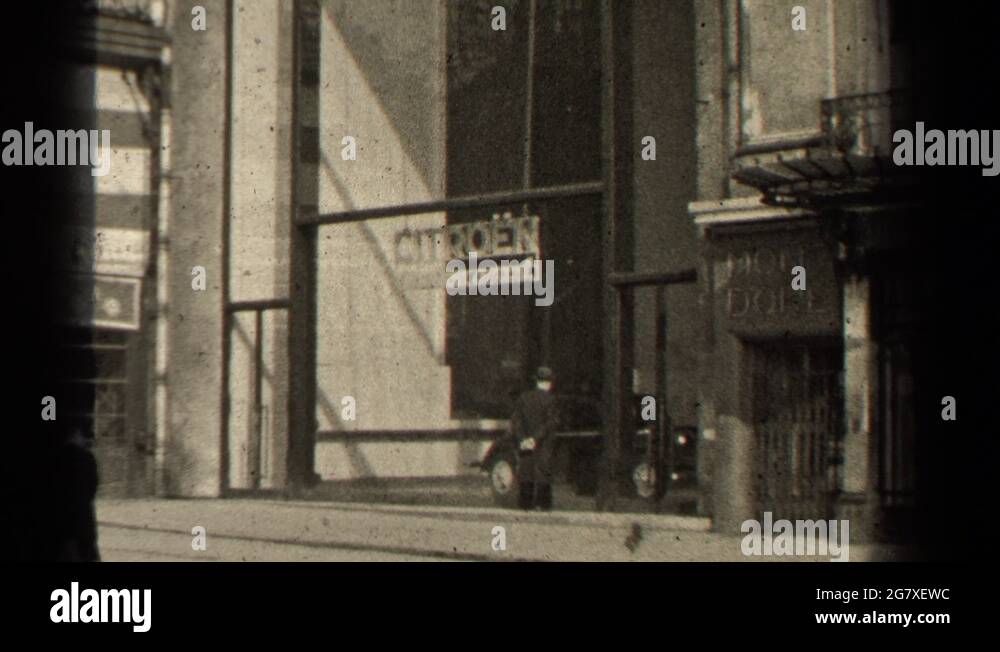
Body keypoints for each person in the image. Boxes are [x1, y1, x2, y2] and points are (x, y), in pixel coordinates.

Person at [510, 366, 560, 510]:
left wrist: (523, 439)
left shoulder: (524, 398)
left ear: (536, 381)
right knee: (543, 472)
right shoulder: (551, 400)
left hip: (525, 443)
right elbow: (551, 423)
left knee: (526, 471)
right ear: (549, 382)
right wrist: (535, 438)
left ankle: (524, 504)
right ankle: (542, 505)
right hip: (543, 443)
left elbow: (516, 421)